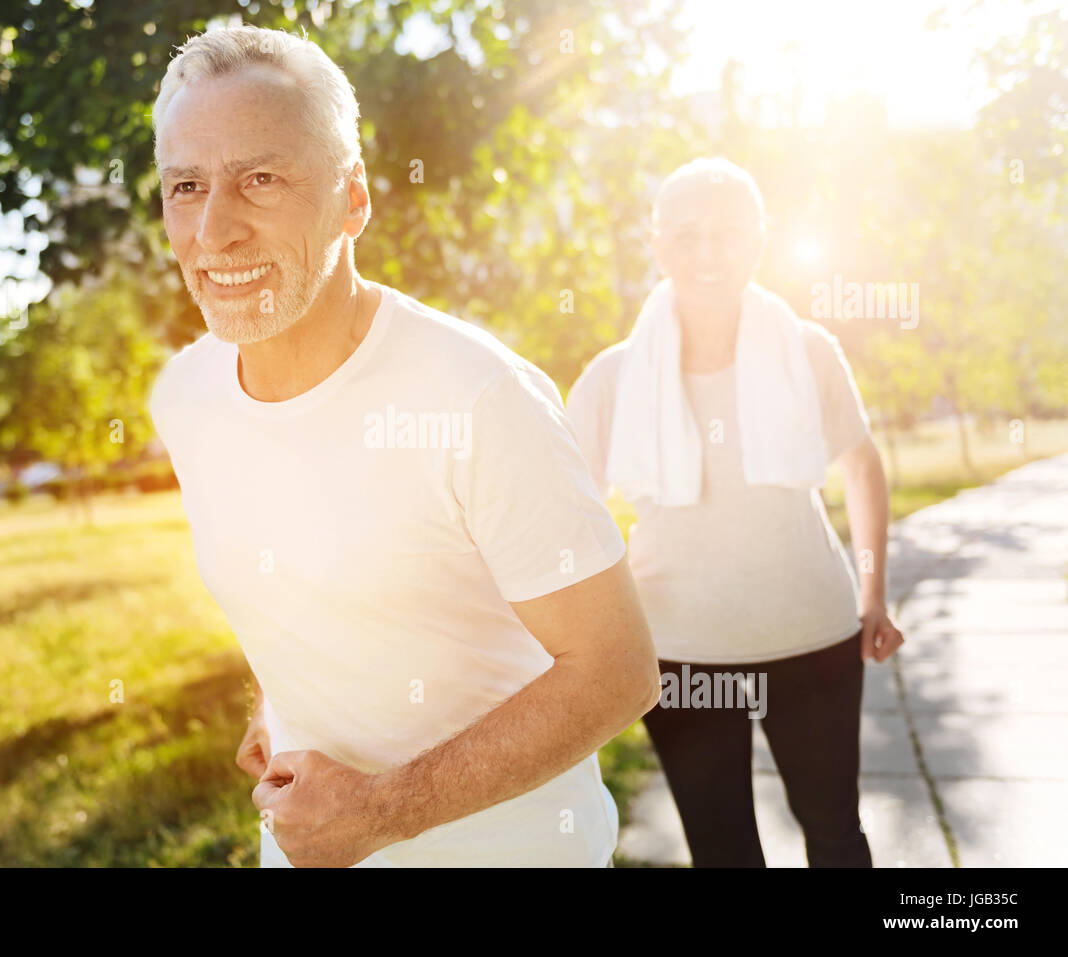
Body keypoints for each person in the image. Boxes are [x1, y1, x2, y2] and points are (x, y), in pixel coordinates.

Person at [148, 25, 660, 868]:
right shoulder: (186, 398)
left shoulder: (480, 397)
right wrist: (275, 695)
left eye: (261, 179)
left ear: (353, 198)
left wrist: (385, 809)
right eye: (186, 185)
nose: (214, 230)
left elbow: (619, 670)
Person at [566, 157, 904, 867]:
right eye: (686, 236)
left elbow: (863, 466)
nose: (708, 253)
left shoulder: (809, 351)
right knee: (722, 851)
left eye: (727, 233)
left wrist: (874, 594)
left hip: (812, 637)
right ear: (657, 245)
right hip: (682, 654)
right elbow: (566, 520)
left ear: (759, 239)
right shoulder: (613, 378)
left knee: (835, 832)